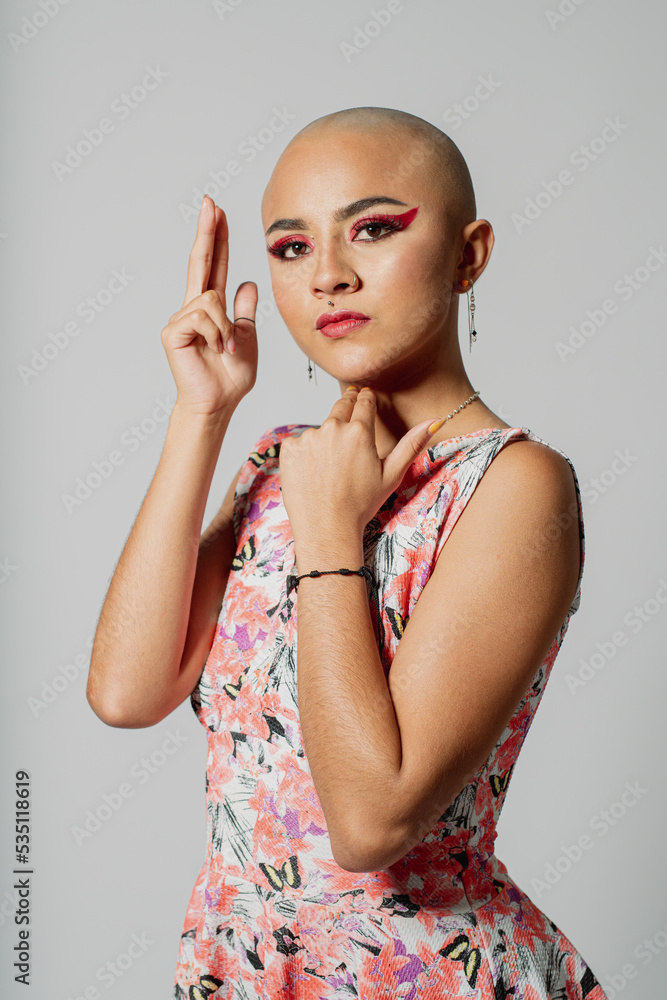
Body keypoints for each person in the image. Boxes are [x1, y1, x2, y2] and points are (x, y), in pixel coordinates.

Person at [87, 106, 608, 999]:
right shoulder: (284, 462)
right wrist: (202, 414)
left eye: (373, 230)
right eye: (290, 248)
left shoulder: (515, 485)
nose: (328, 276)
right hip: (251, 968)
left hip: (417, 975)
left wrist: (330, 537)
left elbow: (370, 821)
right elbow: (127, 693)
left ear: (469, 253)